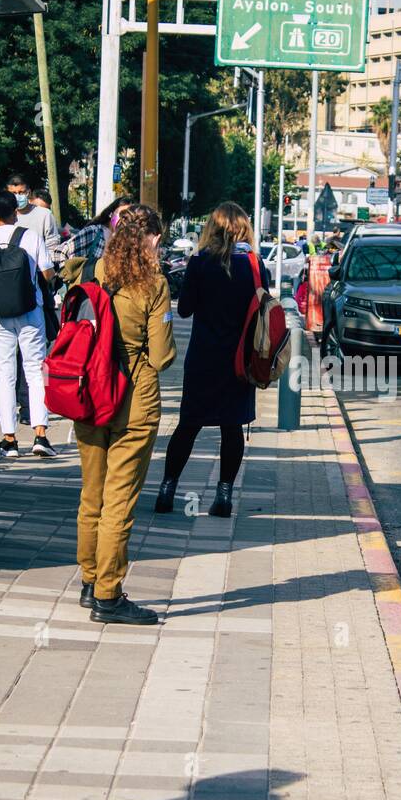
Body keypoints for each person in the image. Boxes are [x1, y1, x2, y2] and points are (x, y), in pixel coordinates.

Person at [75, 205, 177, 625]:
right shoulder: (154, 284)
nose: (161, 245)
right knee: (120, 501)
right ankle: (109, 595)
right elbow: (162, 355)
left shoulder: (96, 270)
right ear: (149, 239)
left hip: (89, 396)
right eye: (159, 238)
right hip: (134, 401)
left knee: (91, 496)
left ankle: (89, 579)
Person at [155, 202, 268, 518]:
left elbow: (185, 309)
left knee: (188, 425)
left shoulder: (200, 263)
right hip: (239, 361)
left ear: (212, 229)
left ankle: (167, 489)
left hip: (204, 357)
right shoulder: (257, 266)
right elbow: (263, 313)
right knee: (231, 428)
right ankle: (224, 496)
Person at [0, 189, 57, 458]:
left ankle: (8, 439)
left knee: (5, 373)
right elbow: (47, 272)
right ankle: (40, 436)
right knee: (35, 371)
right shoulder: (29, 236)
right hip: (30, 312)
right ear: (16, 210)